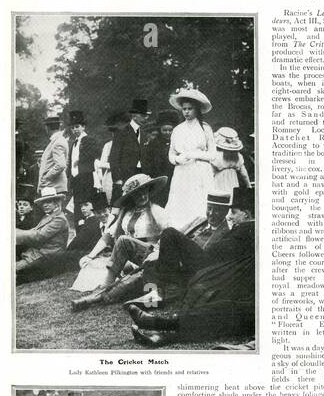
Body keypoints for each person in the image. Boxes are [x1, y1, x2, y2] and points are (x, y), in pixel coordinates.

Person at [126, 185, 256, 347]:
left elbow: (214, 255)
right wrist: (157, 250)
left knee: (162, 247)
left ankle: (154, 301)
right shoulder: (197, 221)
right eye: (209, 209)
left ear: (246, 214)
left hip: (207, 272)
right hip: (163, 255)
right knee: (145, 260)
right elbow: (178, 235)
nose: (211, 214)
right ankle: (147, 297)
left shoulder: (236, 230)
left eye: (219, 211)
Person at [73, 173, 168, 311]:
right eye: (137, 194)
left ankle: (101, 293)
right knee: (123, 276)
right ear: (131, 196)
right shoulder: (126, 213)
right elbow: (108, 236)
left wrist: (157, 251)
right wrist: (90, 255)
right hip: (134, 261)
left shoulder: (157, 211)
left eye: (144, 192)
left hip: (154, 256)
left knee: (124, 246)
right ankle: (99, 295)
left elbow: (170, 235)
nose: (142, 196)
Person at [163, 85, 222, 228]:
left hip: (200, 171)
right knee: (181, 203)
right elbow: (171, 154)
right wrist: (177, 159)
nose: (187, 112)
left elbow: (213, 154)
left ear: (196, 109)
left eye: (190, 108)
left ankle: (200, 228)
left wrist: (195, 154)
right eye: (184, 109)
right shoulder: (177, 130)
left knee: (199, 202)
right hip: (182, 171)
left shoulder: (205, 128)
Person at [15, 186, 72, 284]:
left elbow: (39, 236)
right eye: (44, 203)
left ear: (56, 202)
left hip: (49, 256)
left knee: (13, 271)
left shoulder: (59, 219)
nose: (45, 205)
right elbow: (34, 230)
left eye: (49, 202)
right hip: (38, 253)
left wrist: (16, 234)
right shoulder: (48, 216)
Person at [108, 99, 150, 202]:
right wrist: (117, 179)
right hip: (125, 176)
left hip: (141, 175)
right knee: (124, 204)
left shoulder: (144, 134)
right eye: (143, 115)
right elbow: (114, 158)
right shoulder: (121, 132)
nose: (146, 118)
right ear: (134, 115)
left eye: (146, 116)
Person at [37, 110, 68, 194]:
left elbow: (61, 165)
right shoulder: (58, 140)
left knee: (52, 207)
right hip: (54, 186)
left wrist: (46, 177)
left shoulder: (57, 142)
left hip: (54, 187)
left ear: (47, 128)